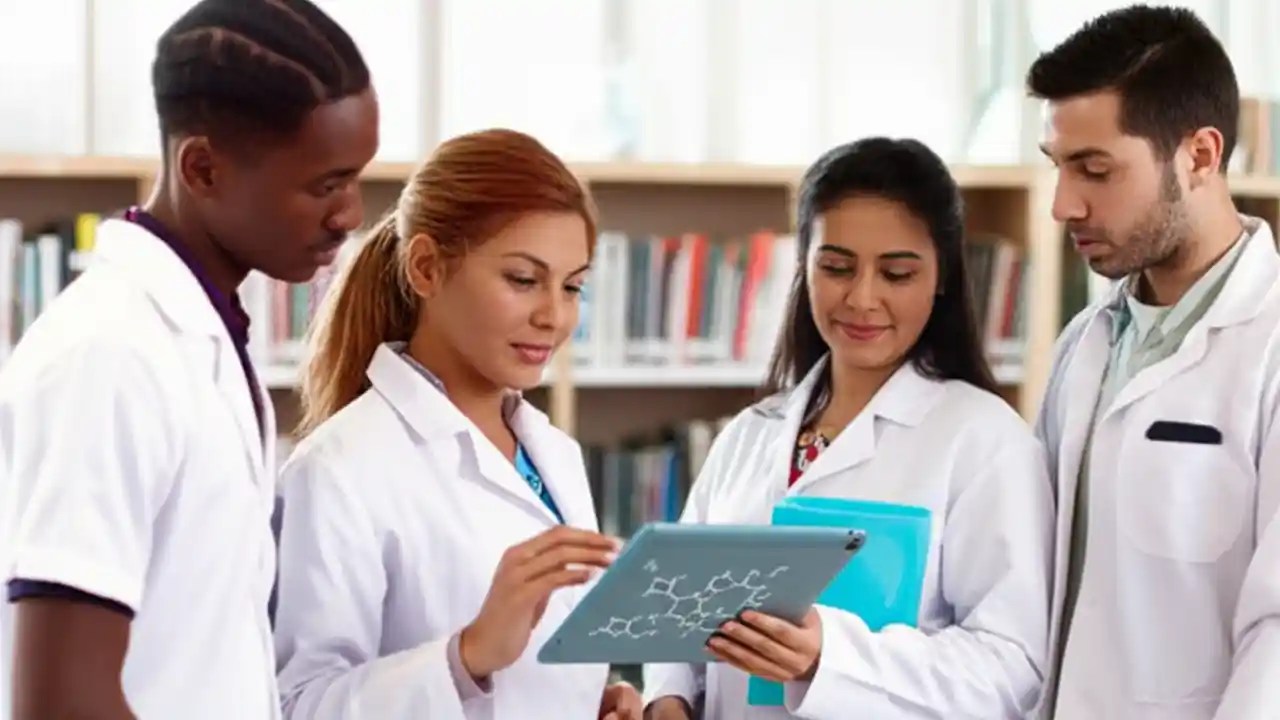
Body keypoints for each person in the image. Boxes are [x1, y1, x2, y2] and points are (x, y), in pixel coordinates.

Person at [0, 2, 378, 719]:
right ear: (202, 168)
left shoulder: (197, 338)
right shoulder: (110, 355)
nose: (350, 214)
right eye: (325, 185)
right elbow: (61, 702)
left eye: (356, 179)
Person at [642, 136, 1054, 719]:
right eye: (836, 267)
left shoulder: (984, 440)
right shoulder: (750, 434)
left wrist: (828, 657)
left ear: (941, 278)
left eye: (897, 273)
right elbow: (677, 605)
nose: (862, 299)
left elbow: (1012, 668)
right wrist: (669, 697)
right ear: (803, 264)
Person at [271, 128, 642, 720]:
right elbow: (299, 706)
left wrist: (590, 701)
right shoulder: (338, 470)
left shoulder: (555, 453)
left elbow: (531, 678)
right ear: (425, 268)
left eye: (572, 287)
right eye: (523, 279)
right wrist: (466, 656)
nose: (553, 316)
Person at [1028, 6, 1280, 719]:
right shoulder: (1085, 341)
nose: (1062, 204)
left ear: (1199, 155)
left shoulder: (1269, 347)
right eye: (1057, 167)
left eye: (1095, 170)